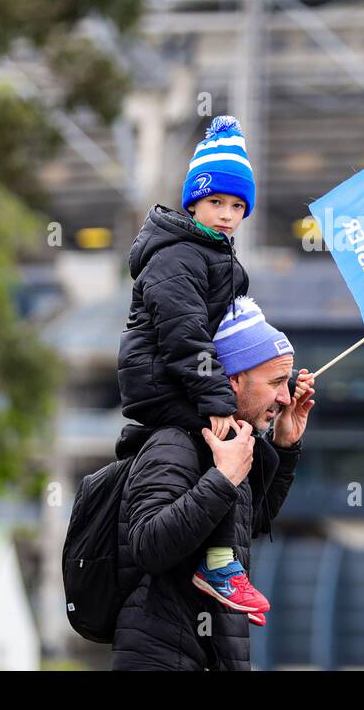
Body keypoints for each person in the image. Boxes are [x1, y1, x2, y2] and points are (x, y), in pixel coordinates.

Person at [116, 114, 273, 612]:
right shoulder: (177, 257)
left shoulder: (221, 259)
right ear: (193, 203)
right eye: (215, 203)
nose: (227, 214)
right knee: (224, 447)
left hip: (186, 379)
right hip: (160, 380)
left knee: (246, 449)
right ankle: (220, 565)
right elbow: (184, 337)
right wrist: (217, 401)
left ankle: (224, 557)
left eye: (236, 205)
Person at [112, 302, 316, 670]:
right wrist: (223, 479)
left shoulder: (226, 445)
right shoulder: (174, 444)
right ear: (233, 379)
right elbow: (147, 545)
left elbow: (246, 527)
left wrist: (284, 448)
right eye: (274, 383)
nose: (285, 397)